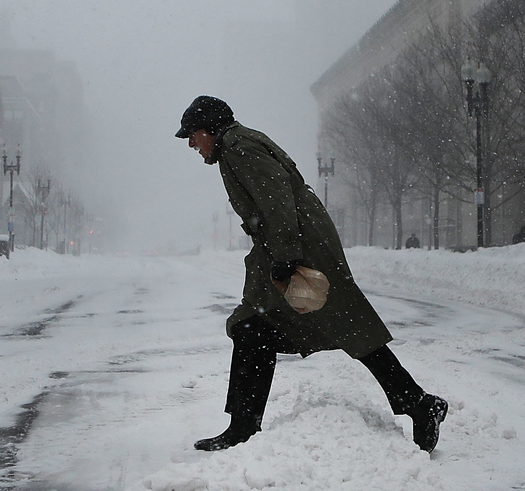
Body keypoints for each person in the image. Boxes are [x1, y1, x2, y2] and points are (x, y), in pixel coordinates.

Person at [176, 96, 447, 453]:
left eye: (194, 135)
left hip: (303, 247)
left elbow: (276, 199)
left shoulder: (238, 147)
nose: (193, 144)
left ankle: (419, 404)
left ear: (210, 127)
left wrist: (286, 256)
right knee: (264, 327)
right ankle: (418, 403)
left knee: (339, 325)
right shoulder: (234, 146)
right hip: (292, 242)